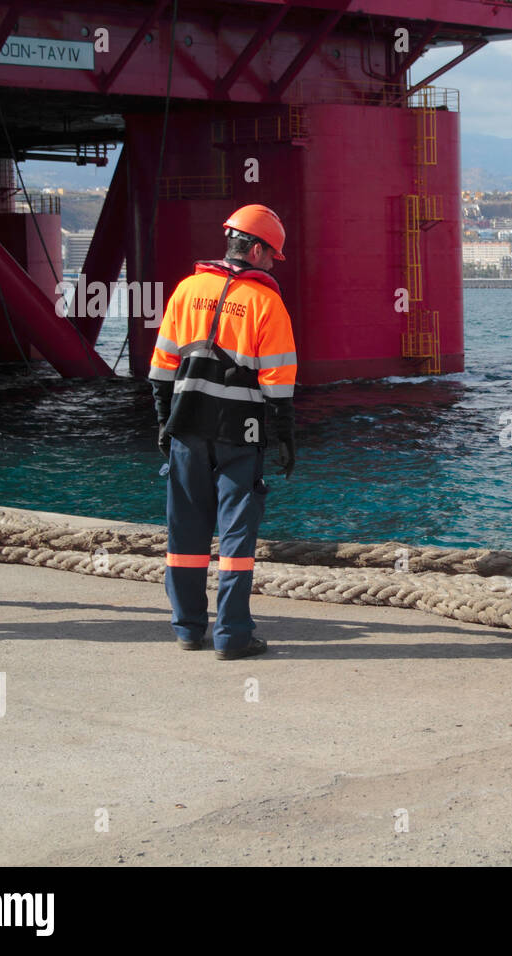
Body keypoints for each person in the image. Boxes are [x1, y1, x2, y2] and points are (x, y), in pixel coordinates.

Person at [149, 204, 298, 661]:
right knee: (236, 539)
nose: (272, 263)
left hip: (186, 429)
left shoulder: (187, 290)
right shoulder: (265, 302)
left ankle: (187, 628)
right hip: (240, 434)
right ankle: (232, 636)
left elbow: (160, 370)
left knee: (185, 533)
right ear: (254, 249)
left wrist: (163, 423)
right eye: (271, 255)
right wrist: (286, 437)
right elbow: (279, 383)